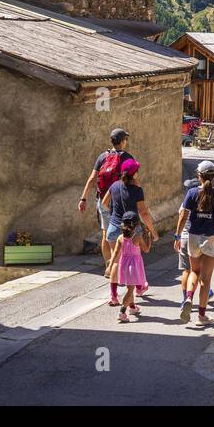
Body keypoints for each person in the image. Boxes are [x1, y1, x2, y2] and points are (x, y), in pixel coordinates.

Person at [79, 128, 133, 299]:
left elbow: (92, 178)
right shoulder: (127, 157)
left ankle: (109, 266)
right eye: (126, 139)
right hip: (119, 200)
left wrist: (83, 198)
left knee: (105, 233)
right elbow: (134, 179)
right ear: (123, 141)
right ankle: (119, 268)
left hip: (102, 200)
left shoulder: (102, 157)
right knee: (122, 235)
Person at [174, 160, 214, 325]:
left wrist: (177, 236)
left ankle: (188, 298)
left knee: (194, 271)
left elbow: (183, 216)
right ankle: (202, 316)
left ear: (199, 176)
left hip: (193, 237)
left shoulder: (191, 193)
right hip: (212, 238)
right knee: (206, 279)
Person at [102, 157, 157, 303]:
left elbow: (104, 202)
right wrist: (153, 232)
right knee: (134, 259)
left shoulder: (114, 186)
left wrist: (115, 213)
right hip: (132, 229)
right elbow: (144, 213)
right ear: (134, 174)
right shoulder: (137, 190)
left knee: (116, 261)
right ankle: (138, 288)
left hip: (114, 227)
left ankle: (113, 296)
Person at [178, 162, 214, 305]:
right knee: (199, 271)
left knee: (188, 270)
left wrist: (177, 236)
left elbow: (181, 218)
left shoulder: (186, 202)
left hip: (185, 237)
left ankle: (185, 298)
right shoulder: (207, 199)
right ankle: (201, 295)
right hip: (200, 237)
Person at [106, 211, 150, 323]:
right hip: (134, 266)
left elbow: (115, 253)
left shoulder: (120, 238)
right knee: (130, 290)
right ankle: (122, 312)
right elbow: (146, 249)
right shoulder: (137, 237)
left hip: (124, 265)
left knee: (129, 288)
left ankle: (133, 307)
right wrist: (148, 238)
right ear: (136, 225)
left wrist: (110, 266)